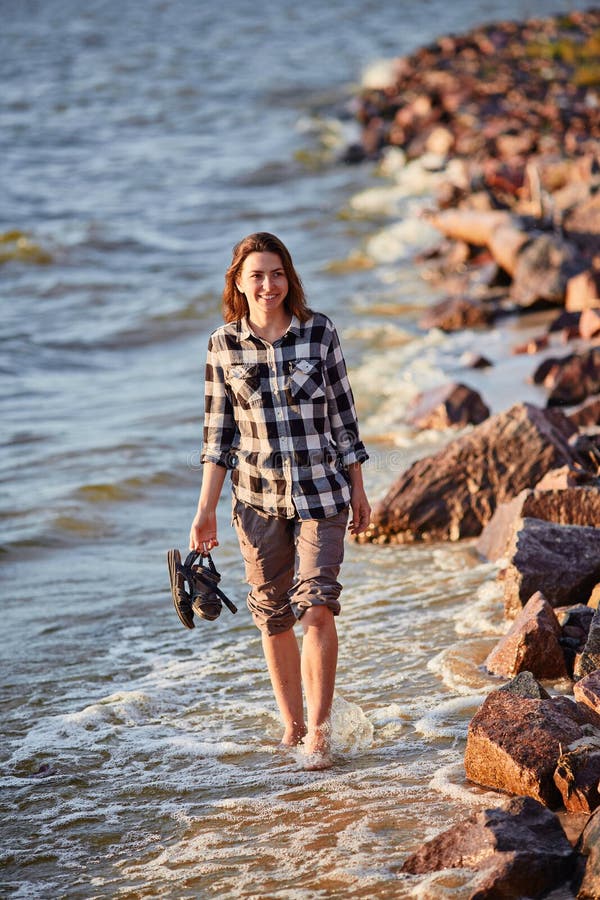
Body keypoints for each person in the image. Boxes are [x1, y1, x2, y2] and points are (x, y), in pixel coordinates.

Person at [189, 232, 371, 770]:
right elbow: (217, 437)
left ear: (288, 277)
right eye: (256, 276)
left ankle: (318, 732)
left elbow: (344, 418)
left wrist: (360, 489)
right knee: (272, 616)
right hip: (255, 500)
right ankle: (291, 727)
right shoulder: (223, 345)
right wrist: (204, 510)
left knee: (316, 604)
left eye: (276, 273)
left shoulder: (320, 332)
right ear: (238, 284)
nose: (267, 285)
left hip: (322, 494)